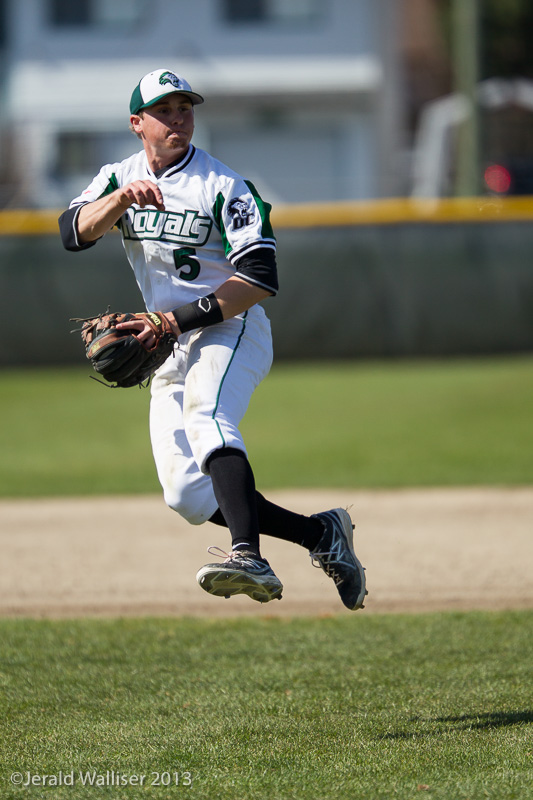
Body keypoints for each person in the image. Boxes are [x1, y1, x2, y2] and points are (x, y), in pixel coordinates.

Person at [59, 68, 367, 610]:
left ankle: (247, 555)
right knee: (183, 492)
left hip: (231, 326)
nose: (178, 118)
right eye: (165, 110)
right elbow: (72, 232)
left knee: (206, 417)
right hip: (166, 341)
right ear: (138, 124)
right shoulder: (118, 177)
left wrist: (173, 322)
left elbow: (260, 277)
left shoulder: (224, 185)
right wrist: (121, 201)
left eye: (185, 108)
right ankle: (320, 535)